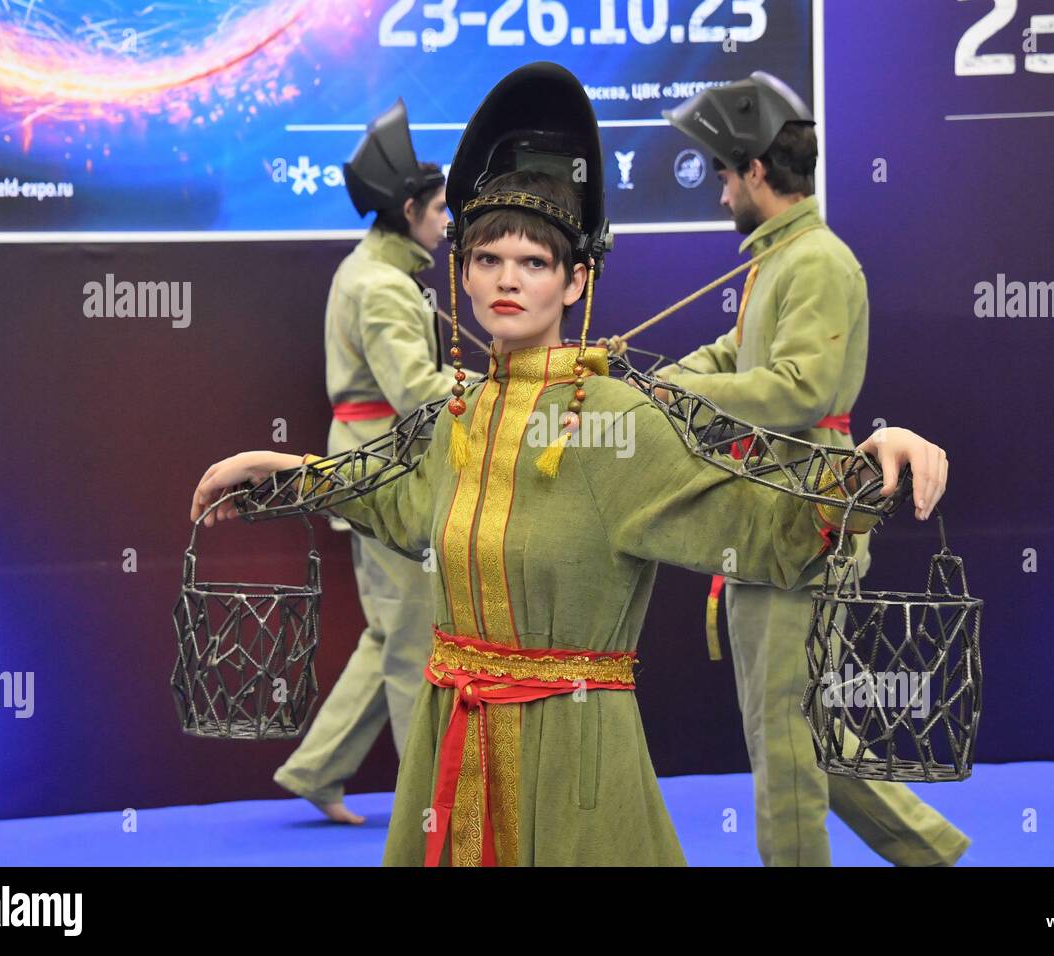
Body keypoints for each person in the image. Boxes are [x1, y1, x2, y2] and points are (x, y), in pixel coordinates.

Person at [189, 63, 950, 866]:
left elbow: (763, 530)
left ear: (575, 278)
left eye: (534, 262)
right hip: (453, 757)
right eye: (487, 259)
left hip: (578, 765)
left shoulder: (617, 423)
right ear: (463, 275)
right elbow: (396, 496)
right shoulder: (459, 416)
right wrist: (285, 479)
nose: (508, 278)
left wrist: (867, 468)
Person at [657, 71, 969, 866]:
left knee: (785, 735)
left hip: (805, 518)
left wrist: (676, 393)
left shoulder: (818, 263)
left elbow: (803, 389)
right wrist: (652, 383)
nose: (720, 188)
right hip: (779, 514)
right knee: (806, 722)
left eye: (726, 173)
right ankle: (935, 851)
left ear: (757, 172)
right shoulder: (780, 261)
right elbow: (736, 355)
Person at [271, 99, 453, 825]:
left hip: (375, 470)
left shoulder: (375, 272)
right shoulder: (380, 284)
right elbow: (416, 393)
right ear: (408, 208)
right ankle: (428, 808)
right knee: (413, 639)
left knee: (393, 630)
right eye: (439, 209)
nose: (447, 222)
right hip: (384, 476)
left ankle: (317, 769)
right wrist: (493, 388)